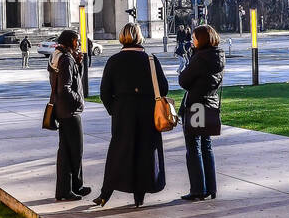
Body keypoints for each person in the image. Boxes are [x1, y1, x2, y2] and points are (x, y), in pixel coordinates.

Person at [96, 22, 168, 208]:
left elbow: (104, 91)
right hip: (147, 112)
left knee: (118, 153)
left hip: (123, 112)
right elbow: (164, 88)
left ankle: (105, 193)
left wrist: (115, 109)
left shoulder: (114, 61)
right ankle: (139, 196)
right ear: (140, 37)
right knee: (144, 153)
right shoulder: (150, 60)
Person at [178, 24, 224, 201]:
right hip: (210, 104)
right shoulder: (218, 56)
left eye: (194, 38)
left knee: (193, 147)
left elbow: (184, 80)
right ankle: (210, 187)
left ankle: (198, 189)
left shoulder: (200, 58)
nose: (192, 40)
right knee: (206, 145)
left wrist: (190, 59)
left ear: (201, 39)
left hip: (196, 106)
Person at [47, 29, 90, 201]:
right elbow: (65, 88)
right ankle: (70, 188)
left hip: (60, 109)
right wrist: (78, 99)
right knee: (75, 150)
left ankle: (71, 187)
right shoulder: (66, 59)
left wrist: (78, 64)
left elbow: (69, 81)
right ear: (72, 41)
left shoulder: (56, 56)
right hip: (70, 111)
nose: (79, 43)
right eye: (77, 40)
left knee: (66, 151)